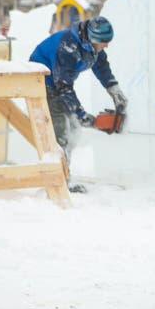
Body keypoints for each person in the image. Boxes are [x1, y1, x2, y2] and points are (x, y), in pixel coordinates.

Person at [29, 16, 127, 192]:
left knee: (72, 130)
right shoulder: (68, 47)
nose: (107, 46)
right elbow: (63, 86)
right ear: (94, 39)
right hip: (43, 82)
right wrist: (81, 115)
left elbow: (101, 66)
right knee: (61, 132)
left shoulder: (91, 45)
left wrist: (114, 89)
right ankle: (59, 183)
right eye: (104, 42)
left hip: (59, 83)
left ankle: (63, 175)